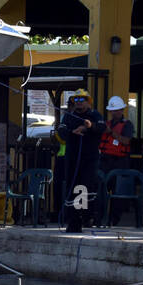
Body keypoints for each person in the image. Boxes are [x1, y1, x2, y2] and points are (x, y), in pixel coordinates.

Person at [56, 89, 105, 234]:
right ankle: (74, 221)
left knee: (85, 188)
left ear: (88, 102)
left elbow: (102, 127)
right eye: (76, 100)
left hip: (89, 159)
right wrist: (72, 132)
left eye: (81, 100)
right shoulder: (69, 116)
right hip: (72, 159)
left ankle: (87, 217)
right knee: (73, 187)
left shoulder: (95, 115)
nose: (78, 103)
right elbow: (62, 131)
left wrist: (90, 127)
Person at [99, 96, 135, 225]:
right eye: (113, 110)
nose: (116, 112)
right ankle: (100, 218)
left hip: (119, 162)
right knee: (101, 191)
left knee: (117, 193)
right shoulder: (106, 124)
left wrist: (111, 133)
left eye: (118, 110)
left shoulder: (127, 125)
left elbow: (126, 141)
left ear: (122, 110)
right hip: (104, 162)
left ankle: (115, 219)